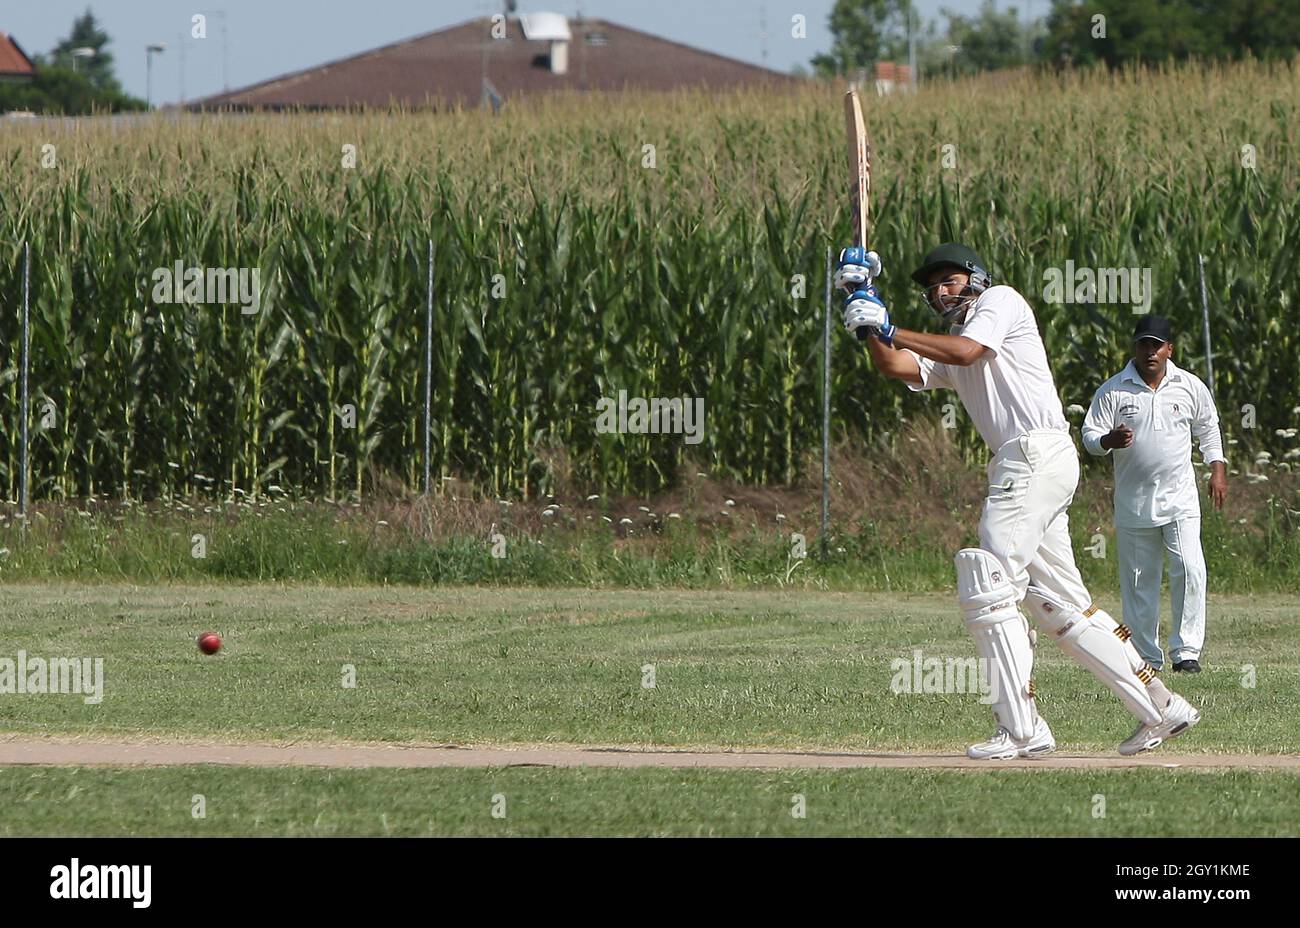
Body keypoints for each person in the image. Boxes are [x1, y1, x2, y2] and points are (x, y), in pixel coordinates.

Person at [836, 242, 1200, 757]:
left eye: (951, 279)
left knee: (988, 581)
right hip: (1030, 462)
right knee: (1062, 608)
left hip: (1033, 456)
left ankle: (1022, 726)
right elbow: (898, 367)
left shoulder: (1000, 302)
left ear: (976, 279)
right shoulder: (955, 337)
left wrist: (889, 325)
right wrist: (863, 313)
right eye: (934, 285)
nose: (941, 290)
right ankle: (1161, 705)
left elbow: (968, 353)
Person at [1082, 315, 1227, 673]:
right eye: (1144, 344)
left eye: (1156, 345)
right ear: (1135, 348)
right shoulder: (1114, 390)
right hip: (1133, 503)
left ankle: (1186, 652)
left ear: (1169, 349)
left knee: (1190, 569)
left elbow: (1209, 428)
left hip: (1180, 499)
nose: (1150, 352)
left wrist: (1217, 469)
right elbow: (1089, 436)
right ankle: (1146, 657)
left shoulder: (1189, 386)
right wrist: (1108, 441)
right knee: (1138, 581)